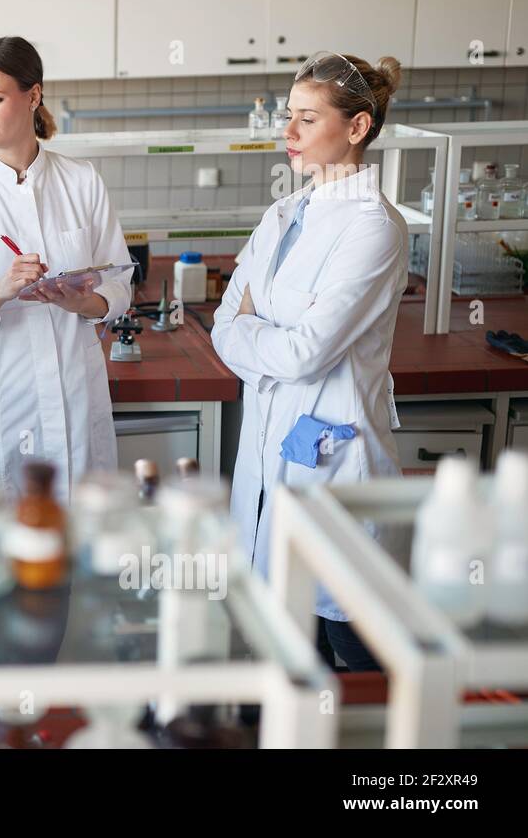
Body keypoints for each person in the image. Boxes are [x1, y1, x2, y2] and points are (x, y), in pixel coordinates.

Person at [211, 51, 407, 672]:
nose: (287, 133)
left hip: (336, 470)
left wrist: (251, 330)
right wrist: (251, 331)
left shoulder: (374, 227)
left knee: (352, 657)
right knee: (287, 653)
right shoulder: (282, 214)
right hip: (272, 463)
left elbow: (304, 352)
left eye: (306, 118)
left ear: (356, 128)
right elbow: (221, 325)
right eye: (287, 116)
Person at [0, 36, 132, 502]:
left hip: (75, 395)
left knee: (78, 547)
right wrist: (0, 289)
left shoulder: (81, 180)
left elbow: (120, 282)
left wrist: (86, 301)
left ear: (33, 96)